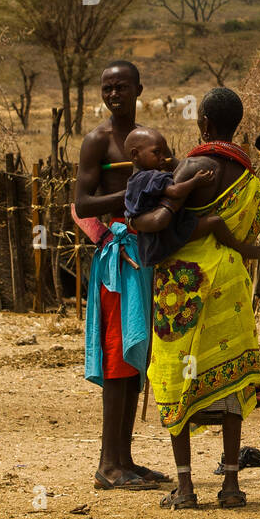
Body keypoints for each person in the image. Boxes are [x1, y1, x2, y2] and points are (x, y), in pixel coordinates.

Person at [149, 87, 260, 510]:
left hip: (183, 287)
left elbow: (162, 225)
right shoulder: (250, 177)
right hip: (232, 281)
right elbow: (257, 228)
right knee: (231, 377)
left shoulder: (191, 167)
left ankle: (185, 488)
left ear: (204, 123)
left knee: (175, 376)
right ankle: (231, 486)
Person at [74, 60, 168, 491]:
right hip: (117, 262)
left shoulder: (147, 141)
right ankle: (108, 466)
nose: (114, 95)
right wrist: (132, 191)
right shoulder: (96, 142)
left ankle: (123, 459)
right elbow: (83, 203)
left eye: (122, 87)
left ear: (138, 90)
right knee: (117, 358)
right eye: (107, 87)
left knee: (134, 358)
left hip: (144, 258)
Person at [121, 126, 260, 264]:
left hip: (151, 240)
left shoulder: (135, 180)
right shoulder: (152, 177)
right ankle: (240, 248)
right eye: (156, 152)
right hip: (167, 234)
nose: (163, 158)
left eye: (164, 153)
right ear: (135, 154)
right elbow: (175, 191)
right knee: (215, 221)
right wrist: (195, 181)